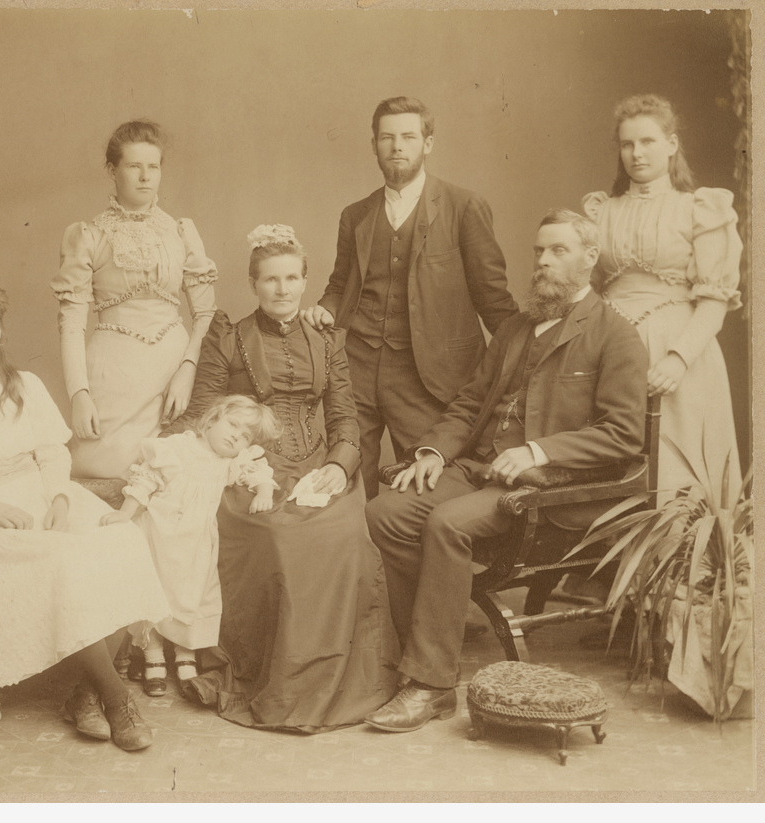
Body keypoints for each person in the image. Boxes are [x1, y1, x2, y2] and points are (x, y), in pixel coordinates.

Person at [363, 210, 648, 733]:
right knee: (387, 512)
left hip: (541, 490)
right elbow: (471, 403)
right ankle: (415, 655)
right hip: (478, 468)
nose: (543, 261)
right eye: (539, 251)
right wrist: (433, 453)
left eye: (558, 250)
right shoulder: (516, 327)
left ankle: (431, 685)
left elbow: (624, 435)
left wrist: (540, 451)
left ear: (590, 258)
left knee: (447, 524)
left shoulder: (615, 335)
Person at [0, 277, 170, 752]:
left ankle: (85, 695)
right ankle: (116, 698)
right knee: (61, 562)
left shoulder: (25, 386)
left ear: (1, 329)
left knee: (122, 542)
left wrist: (58, 497)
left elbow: (53, 453)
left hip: (42, 493)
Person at [163, 224, 400, 734]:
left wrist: (339, 465)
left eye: (292, 278)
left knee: (344, 534)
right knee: (276, 536)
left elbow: (345, 415)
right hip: (250, 468)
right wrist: (170, 457)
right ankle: (274, 681)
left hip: (319, 465)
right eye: (270, 279)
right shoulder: (230, 338)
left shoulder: (327, 341)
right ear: (253, 283)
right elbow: (204, 410)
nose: (282, 289)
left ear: (305, 281)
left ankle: (340, 680)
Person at [302, 96, 518, 498]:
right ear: (374, 145)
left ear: (427, 143)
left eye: (408, 137)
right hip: (357, 368)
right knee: (348, 483)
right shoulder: (356, 214)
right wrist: (325, 309)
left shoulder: (464, 207)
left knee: (423, 489)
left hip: (430, 374)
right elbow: (339, 285)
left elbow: (493, 297)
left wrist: (523, 354)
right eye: (387, 138)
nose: (397, 146)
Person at [583, 93, 743, 504]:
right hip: (609, 351)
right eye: (627, 144)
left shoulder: (698, 209)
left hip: (678, 356)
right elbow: (587, 289)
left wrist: (678, 359)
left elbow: (714, 300)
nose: (636, 153)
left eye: (648, 142)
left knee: (676, 476)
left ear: (671, 144)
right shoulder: (602, 213)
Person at [51, 119, 218, 480]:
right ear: (113, 171)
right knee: (104, 470)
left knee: (175, 474)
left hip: (174, 368)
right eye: (133, 166)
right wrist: (79, 394)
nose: (145, 177)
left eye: (153, 167)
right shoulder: (88, 236)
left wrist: (188, 368)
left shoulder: (181, 232)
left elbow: (206, 314)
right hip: (114, 372)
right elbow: (72, 327)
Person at [100, 395, 280, 697]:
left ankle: (186, 653)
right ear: (212, 420)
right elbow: (147, 479)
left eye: (245, 436)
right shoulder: (179, 448)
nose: (236, 436)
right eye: (232, 424)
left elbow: (257, 472)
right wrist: (125, 513)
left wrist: (264, 492)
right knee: (155, 590)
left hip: (196, 543)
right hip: (159, 532)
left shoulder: (230, 462)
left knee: (190, 594)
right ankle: (153, 655)